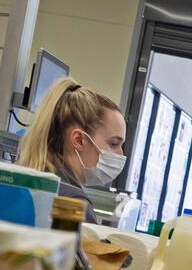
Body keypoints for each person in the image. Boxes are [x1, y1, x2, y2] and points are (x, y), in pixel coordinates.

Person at [16, 77, 126, 219]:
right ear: (79, 140)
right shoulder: (73, 203)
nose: (121, 153)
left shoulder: (26, 179)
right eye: (113, 143)